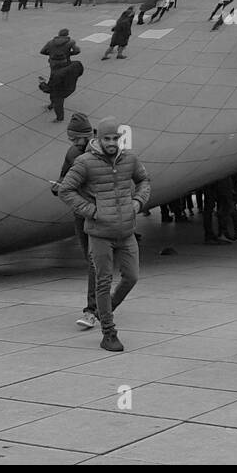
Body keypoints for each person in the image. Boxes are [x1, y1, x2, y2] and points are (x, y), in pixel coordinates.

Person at [57, 117, 150, 352]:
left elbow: (144, 181)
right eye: (106, 138)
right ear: (98, 139)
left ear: (120, 138)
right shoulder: (84, 162)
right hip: (100, 233)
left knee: (131, 277)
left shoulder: (129, 159)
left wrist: (138, 202)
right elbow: (65, 189)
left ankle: (103, 310)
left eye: (115, 138)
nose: (111, 143)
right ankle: (109, 332)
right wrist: (91, 211)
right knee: (103, 281)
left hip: (126, 231)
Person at [50, 112, 98, 330]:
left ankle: (92, 310)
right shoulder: (72, 153)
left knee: (95, 260)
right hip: (80, 213)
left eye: (76, 138)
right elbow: (64, 177)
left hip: (99, 213)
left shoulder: (102, 151)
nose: (73, 142)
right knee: (91, 260)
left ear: (87, 135)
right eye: (71, 139)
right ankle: (101, 302)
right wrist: (58, 186)